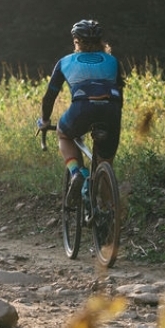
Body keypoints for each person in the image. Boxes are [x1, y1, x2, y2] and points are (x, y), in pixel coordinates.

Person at [38, 19, 124, 199]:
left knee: (63, 133)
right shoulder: (113, 61)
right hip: (111, 110)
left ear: (76, 41)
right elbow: (119, 93)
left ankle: (77, 173)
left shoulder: (64, 62)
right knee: (105, 162)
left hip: (82, 108)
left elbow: (49, 97)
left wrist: (45, 120)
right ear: (101, 41)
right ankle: (107, 217)